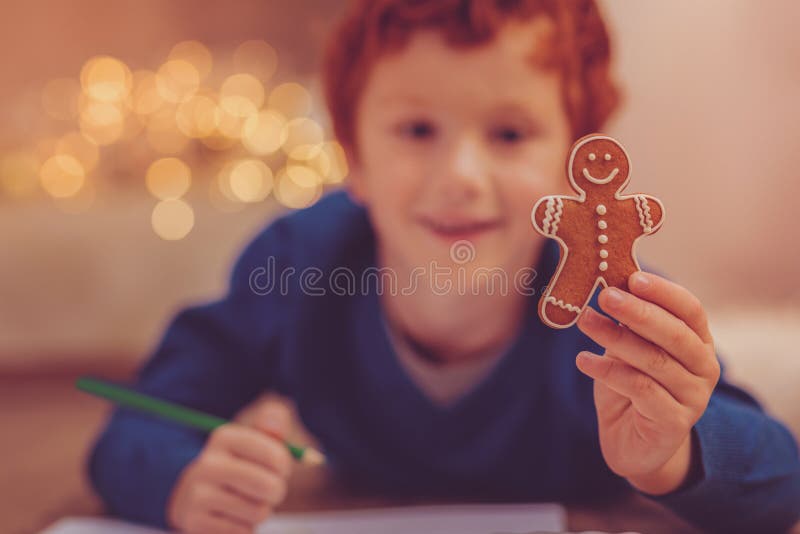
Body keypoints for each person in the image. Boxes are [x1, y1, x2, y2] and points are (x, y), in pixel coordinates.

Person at [88, 1, 800, 532]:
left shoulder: (615, 304)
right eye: (417, 130)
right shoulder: (296, 268)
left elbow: (782, 479)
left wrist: (671, 456)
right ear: (353, 157)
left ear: (573, 158)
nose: (461, 175)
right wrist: (179, 480)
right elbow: (134, 425)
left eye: (510, 133)